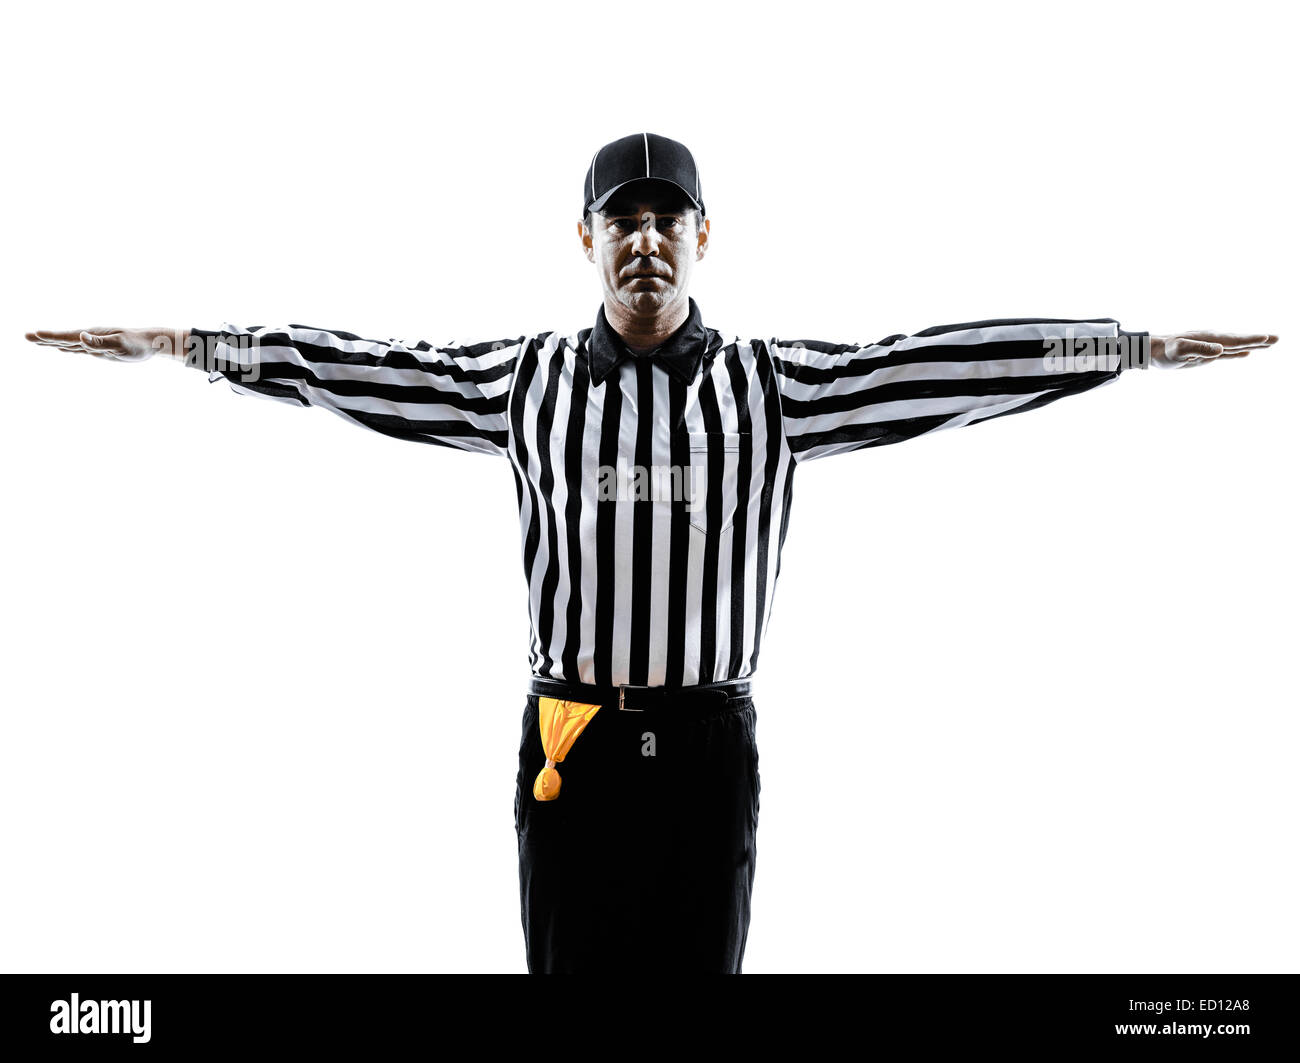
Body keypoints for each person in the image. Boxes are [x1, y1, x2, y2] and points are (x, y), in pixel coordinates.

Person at [24, 131, 1280, 974]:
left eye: (665, 220)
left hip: (703, 747)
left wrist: (1125, 347)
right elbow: (354, 368)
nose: (643, 239)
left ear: (702, 238)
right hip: (570, 741)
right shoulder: (524, 385)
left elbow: (933, 365)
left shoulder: (770, 389)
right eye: (619, 220)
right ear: (584, 241)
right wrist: (192, 344)